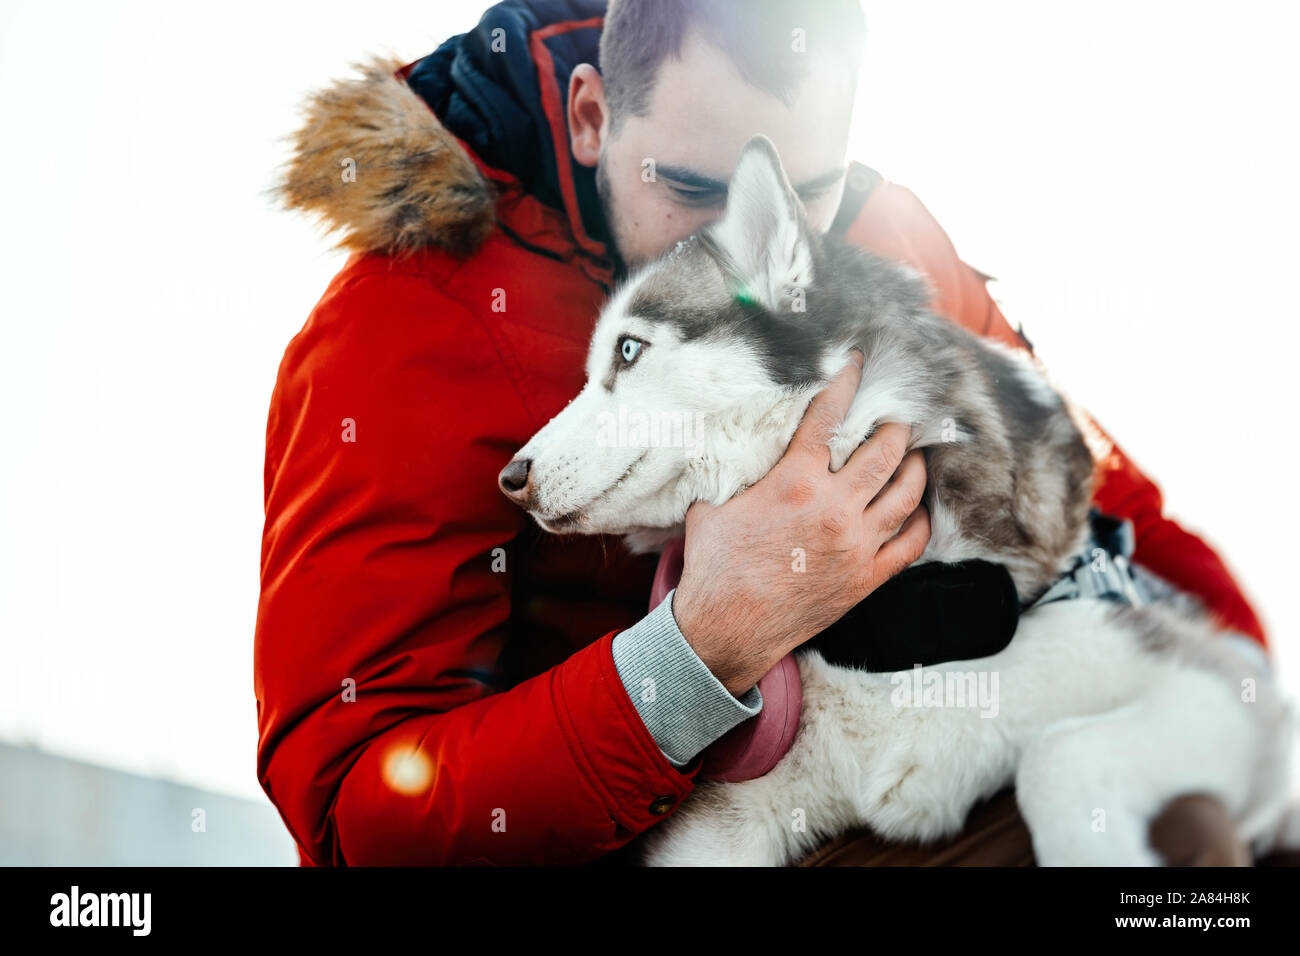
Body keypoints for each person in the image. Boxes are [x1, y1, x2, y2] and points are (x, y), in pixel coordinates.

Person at [256, 0, 1268, 866]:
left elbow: (1090, 491)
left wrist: (1238, 678)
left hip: (941, 752)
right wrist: (696, 650)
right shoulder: (410, 325)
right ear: (592, 117)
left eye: (802, 196)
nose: (752, 260)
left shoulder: (882, 235)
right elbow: (355, 803)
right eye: (692, 191)